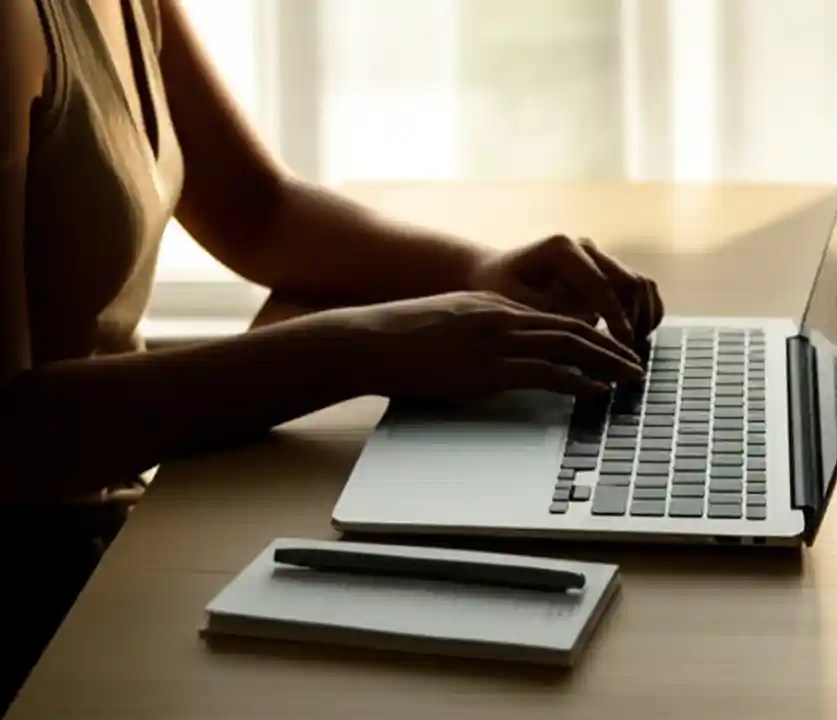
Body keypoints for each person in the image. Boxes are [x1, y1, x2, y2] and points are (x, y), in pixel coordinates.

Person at [0, 0, 663, 707]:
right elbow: (14, 437)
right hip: (39, 598)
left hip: (114, 537)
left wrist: (480, 269)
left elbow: (259, 211)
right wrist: (365, 347)